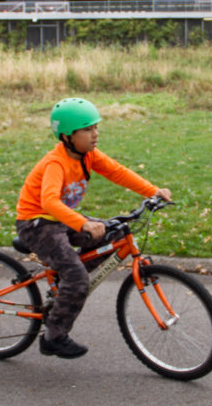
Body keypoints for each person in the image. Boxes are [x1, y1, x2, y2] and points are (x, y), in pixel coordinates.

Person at [15, 97, 172, 359]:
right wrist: (83, 223)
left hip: (61, 218)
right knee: (77, 276)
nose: (95, 134)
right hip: (37, 223)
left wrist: (153, 191)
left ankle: (66, 282)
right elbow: (49, 202)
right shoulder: (56, 163)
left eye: (96, 127)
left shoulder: (87, 156)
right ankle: (54, 335)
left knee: (115, 233)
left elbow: (117, 172)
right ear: (66, 136)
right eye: (87, 129)